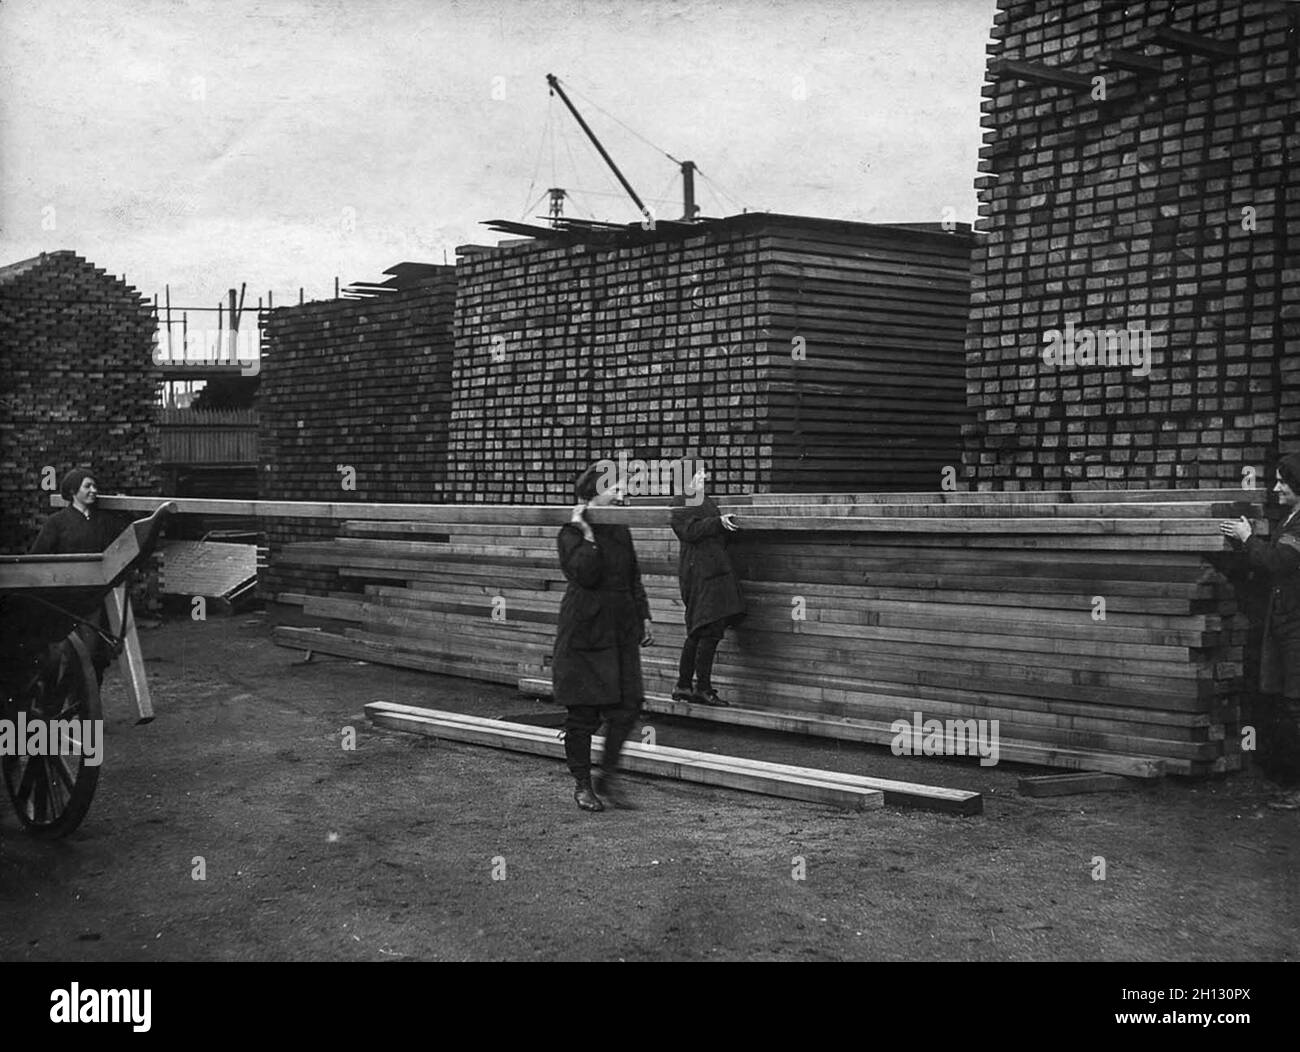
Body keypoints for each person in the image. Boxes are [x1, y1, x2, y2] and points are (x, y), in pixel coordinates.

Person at [553, 463, 654, 813]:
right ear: (590, 496)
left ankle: (607, 777)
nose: (622, 495)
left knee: (628, 707)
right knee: (583, 713)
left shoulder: (621, 529)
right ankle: (582, 784)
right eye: (615, 489)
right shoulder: (571, 533)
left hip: (620, 629)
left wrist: (644, 615)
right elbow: (586, 573)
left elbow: (633, 576)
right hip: (587, 630)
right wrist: (588, 535)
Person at [1220, 452, 1300, 809]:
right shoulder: (1292, 517)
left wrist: (1248, 538)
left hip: (1296, 627)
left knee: (1297, 705)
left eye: (1283, 481)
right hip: (1287, 623)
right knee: (1290, 703)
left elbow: (1277, 562)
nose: (1276, 487)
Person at [29, 467, 121, 684]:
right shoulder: (57, 522)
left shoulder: (105, 522)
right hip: (64, 601)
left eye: (95, 486)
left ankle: (87, 711)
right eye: (87, 486)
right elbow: (37, 558)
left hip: (96, 600)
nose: (93, 491)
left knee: (95, 657)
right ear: (72, 491)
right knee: (65, 657)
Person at [670, 462, 745, 707]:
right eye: (700, 473)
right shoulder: (682, 501)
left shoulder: (700, 499)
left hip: (710, 572)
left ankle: (684, 685)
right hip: (702, 574)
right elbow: (689, 531)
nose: (705, 476)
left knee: (701, 629)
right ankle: (700, 688)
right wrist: (718, 523)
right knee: (706, 629)